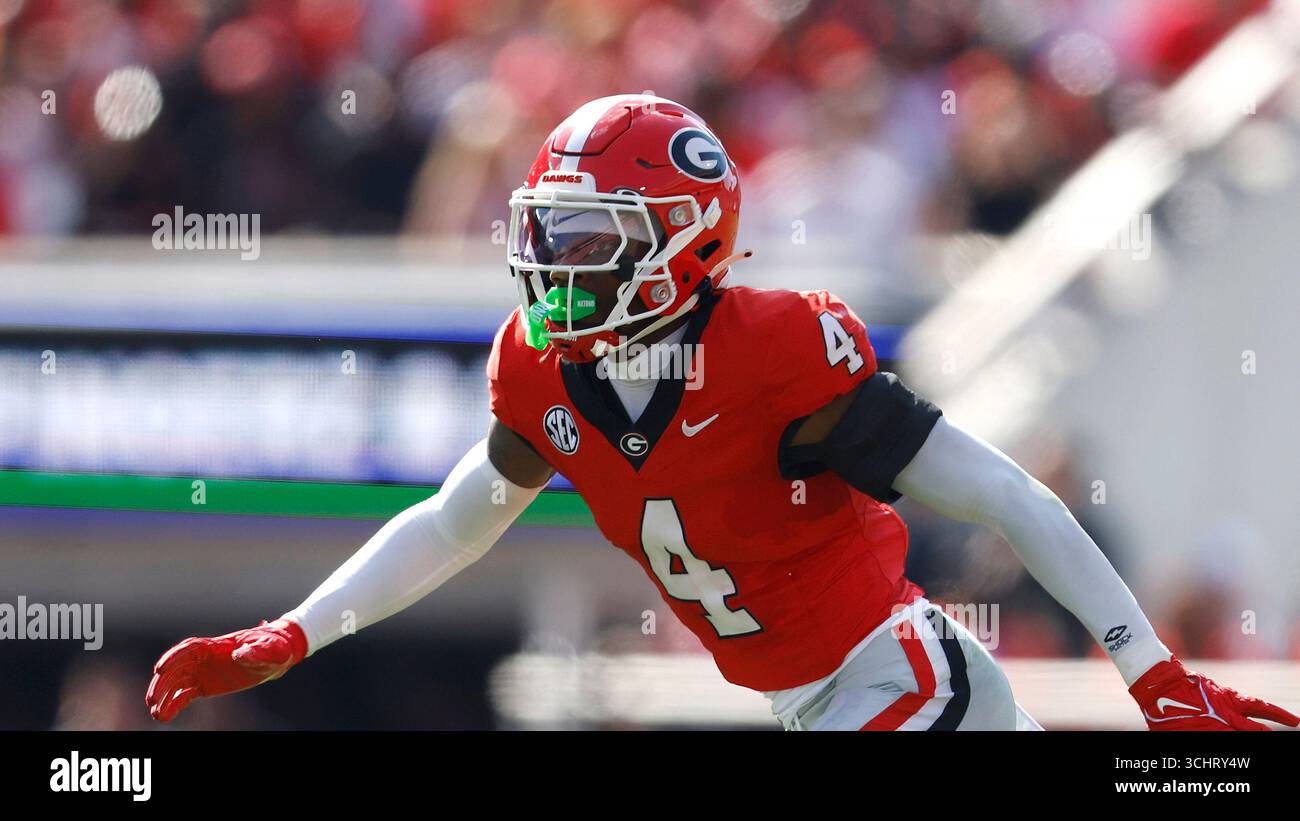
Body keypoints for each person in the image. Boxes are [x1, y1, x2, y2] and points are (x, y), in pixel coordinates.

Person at [146, 95, 1298, 731]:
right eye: (553, 232)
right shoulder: (541, 369)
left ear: (682, 243)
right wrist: (297, 629)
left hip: (905, 681)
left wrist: (1151, 672)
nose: (556, 266)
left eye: (591, 240)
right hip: (815, 702)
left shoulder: (776, 351)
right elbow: (459, 518)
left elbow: (1003, 490)